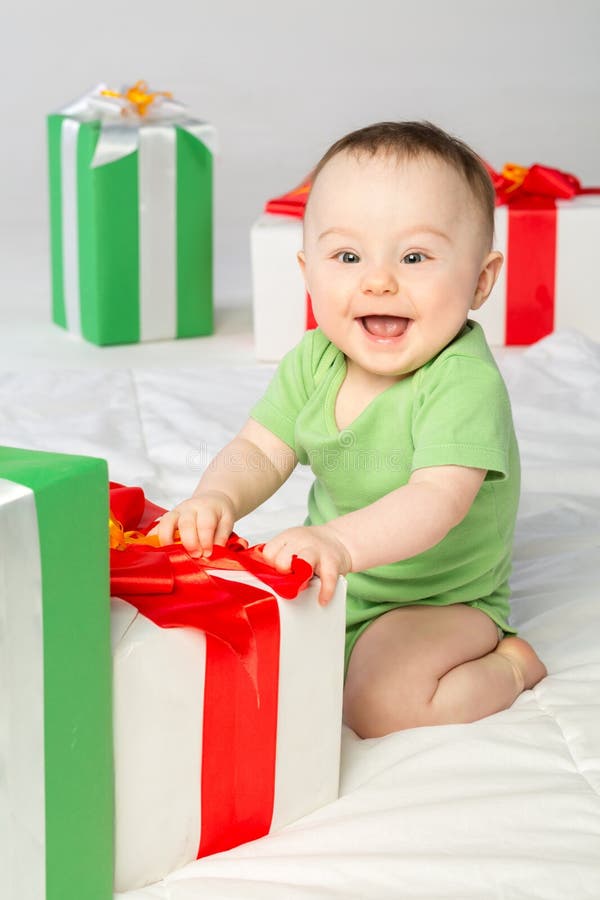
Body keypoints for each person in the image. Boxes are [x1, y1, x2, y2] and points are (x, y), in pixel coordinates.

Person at [157, 121, 547, 739]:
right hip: (330, 579)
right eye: (347, 257)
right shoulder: (316, 360)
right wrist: (218, 497)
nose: (378, 281)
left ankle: (510, 666)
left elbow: (436, 500)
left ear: (480, 280)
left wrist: (337, 543)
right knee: (220, 660)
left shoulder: (462, 382)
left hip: (438, 601)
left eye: (414, 257)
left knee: (376, 705)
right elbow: (261, 447)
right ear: (308, 272)